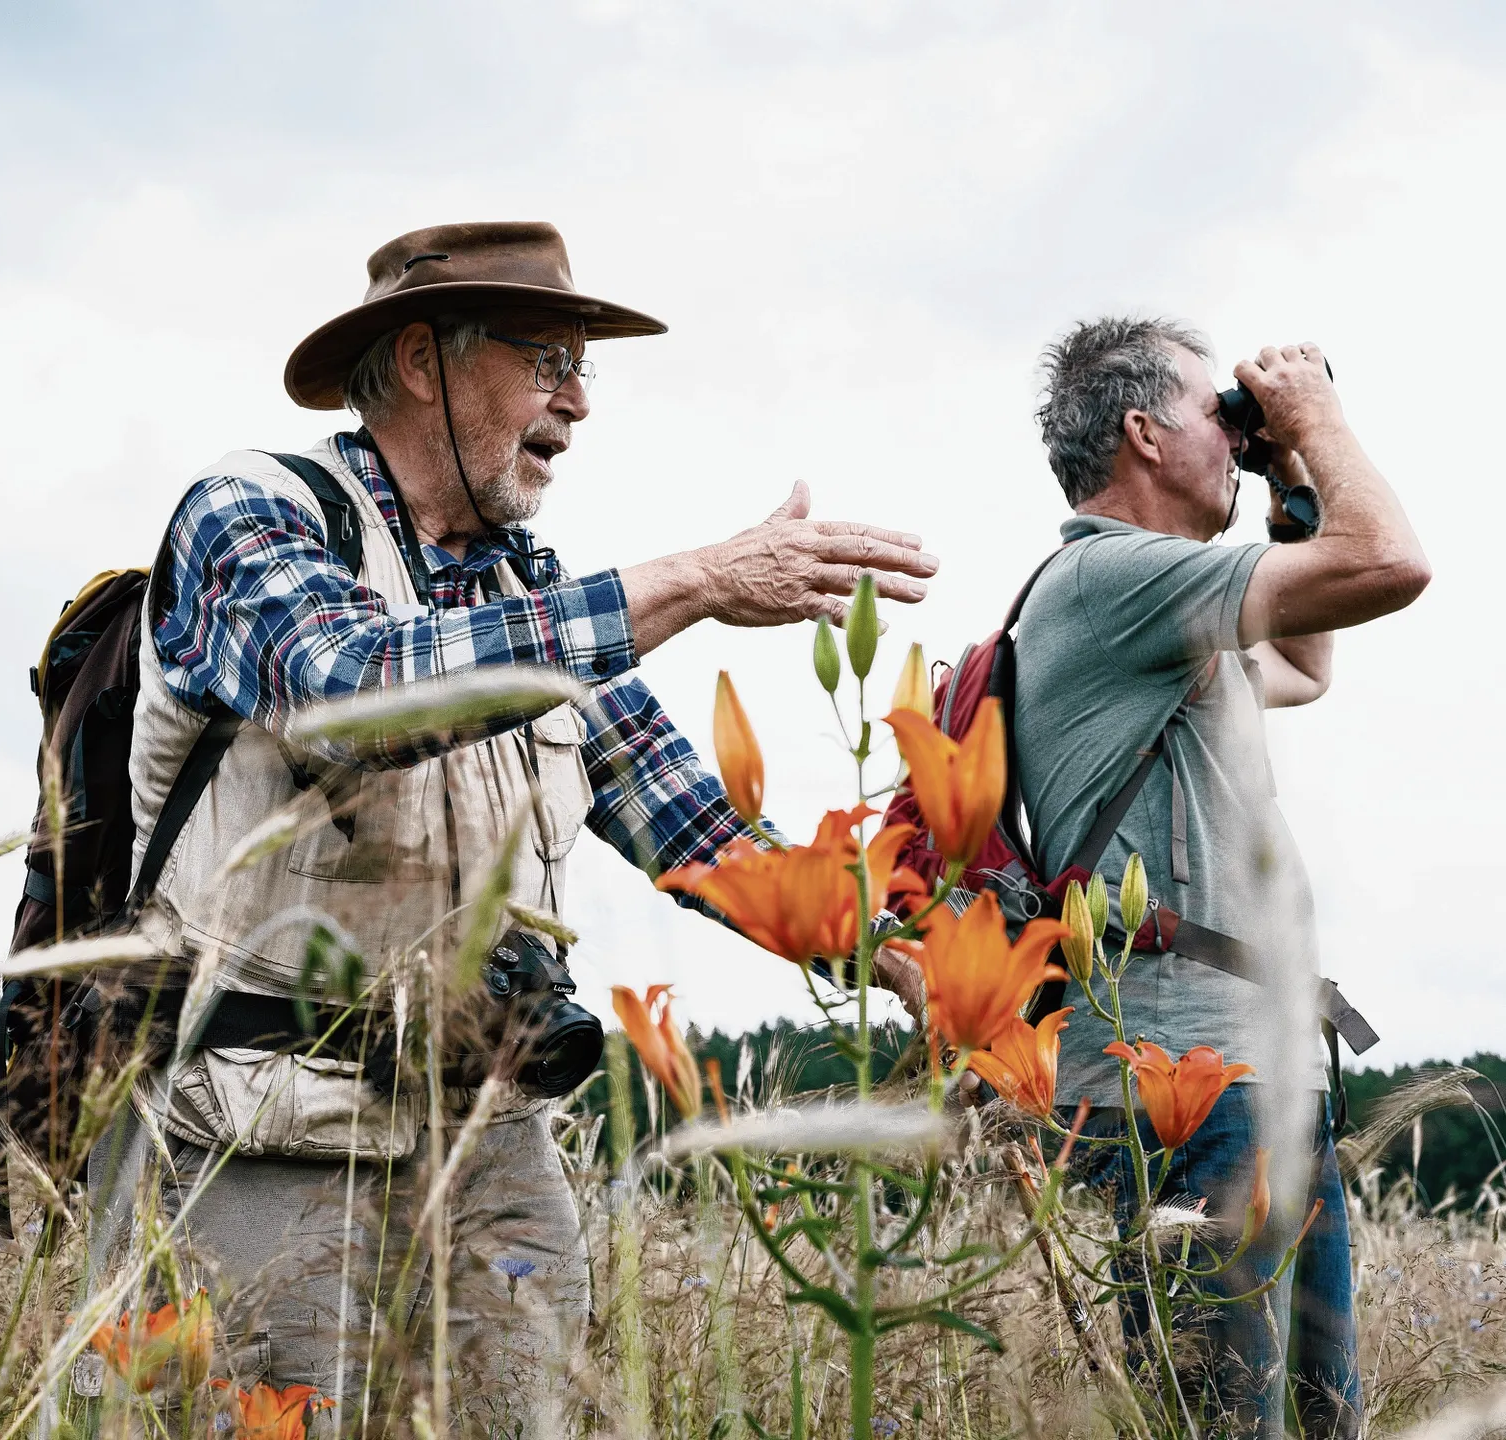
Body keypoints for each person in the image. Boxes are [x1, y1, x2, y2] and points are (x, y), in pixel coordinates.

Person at [85, 220, 938, 1433]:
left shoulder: (531, 599)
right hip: (265, 1125)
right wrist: (696, 583)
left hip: (488, 1135)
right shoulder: (250, 512)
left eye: (585, 368)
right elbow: (358, 690)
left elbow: (695, 833)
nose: (580, 402)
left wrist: (906, 957)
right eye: (548, 361)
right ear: (425, 362)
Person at [1015, 317, 1429, 1436]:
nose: (1236, 434)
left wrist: (1285, 468)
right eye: (1220, 413)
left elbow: (1302, 662)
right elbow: (1390, 562)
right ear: (1144, 434)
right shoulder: (1111, 580)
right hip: (1187, 1079)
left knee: (1311, 1420)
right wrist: (1316, 418)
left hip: (1254, 1066)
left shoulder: (1167, 607)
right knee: (1226, 1424)